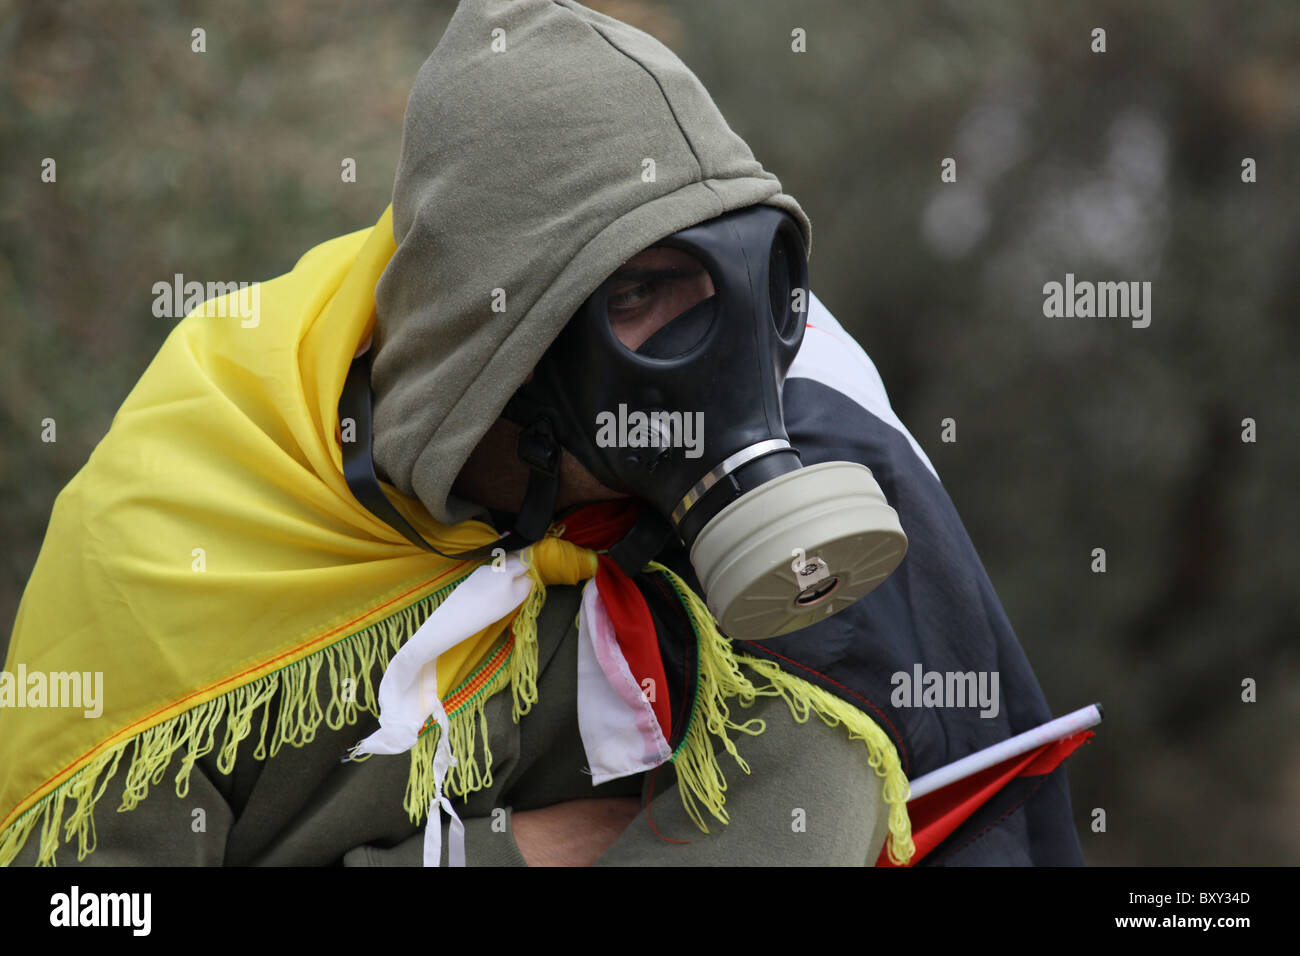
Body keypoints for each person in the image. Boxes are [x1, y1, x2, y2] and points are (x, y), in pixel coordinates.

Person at [0, 0, 1083, 867]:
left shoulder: (805, 416)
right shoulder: (165, 541)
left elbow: (829, 773)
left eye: (751, 285)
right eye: (644, 299)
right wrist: (506, 853)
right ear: (497, 358)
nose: (727, 361)